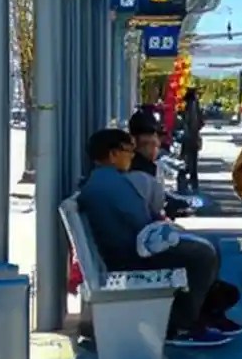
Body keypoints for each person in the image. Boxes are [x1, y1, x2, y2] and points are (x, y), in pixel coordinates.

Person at [76, 129, 231, 347]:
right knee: (203, 254)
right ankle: (183, 325)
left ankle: (197, 316)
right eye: (128, 150)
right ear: (112, 155)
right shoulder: (113, 185)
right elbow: (141, 221)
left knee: (203, 248)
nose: (132, 155)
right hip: (130, 258)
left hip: (121, 252)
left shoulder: (102, 182)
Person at [181, 89, 205, 192]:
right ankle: (192, 182)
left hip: (190, 136)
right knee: (191, 160)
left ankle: (191, 182)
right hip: (192, 135)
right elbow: (199, 121)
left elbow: (194, 122)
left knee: (190, 160)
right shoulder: (193, 105)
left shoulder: (192, 105)